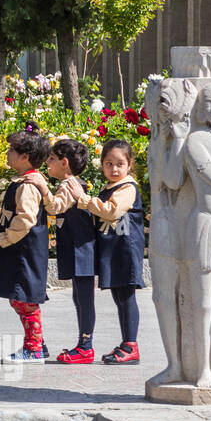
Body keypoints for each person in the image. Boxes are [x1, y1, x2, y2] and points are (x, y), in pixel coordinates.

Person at [77, 139, 146, 365]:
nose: (114, 169)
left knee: (126, 297)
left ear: (129, 165)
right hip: (114, 249)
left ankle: (131, 345)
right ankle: (126, 343)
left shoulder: (127, 187)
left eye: (119, 164)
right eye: (109, 164)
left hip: (125, 249)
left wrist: (86, 201)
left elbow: (112, 212)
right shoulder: (108, 187)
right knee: (119, 296)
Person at [0, 123, 52, 361]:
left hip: (24, 249)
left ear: (25, 157)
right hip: (18, 248)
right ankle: (37, 343)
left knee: (24, 298)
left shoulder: (28, 186)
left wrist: (4, 237)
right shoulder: (24, 180)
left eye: (12, 150)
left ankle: (34, 348)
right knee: (20, 297)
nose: (7, 153)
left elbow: (25, 219)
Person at [32, 139, 97, 364]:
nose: (47, 163)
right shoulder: (70, 183)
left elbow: (55, 207)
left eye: (51, 159)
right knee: (79, 297)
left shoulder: (68, 184)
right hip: (77, 246)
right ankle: (83, 344)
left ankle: (86, 346)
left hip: (82, 248)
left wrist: (41, 188)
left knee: (84, 298)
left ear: (65, 163)